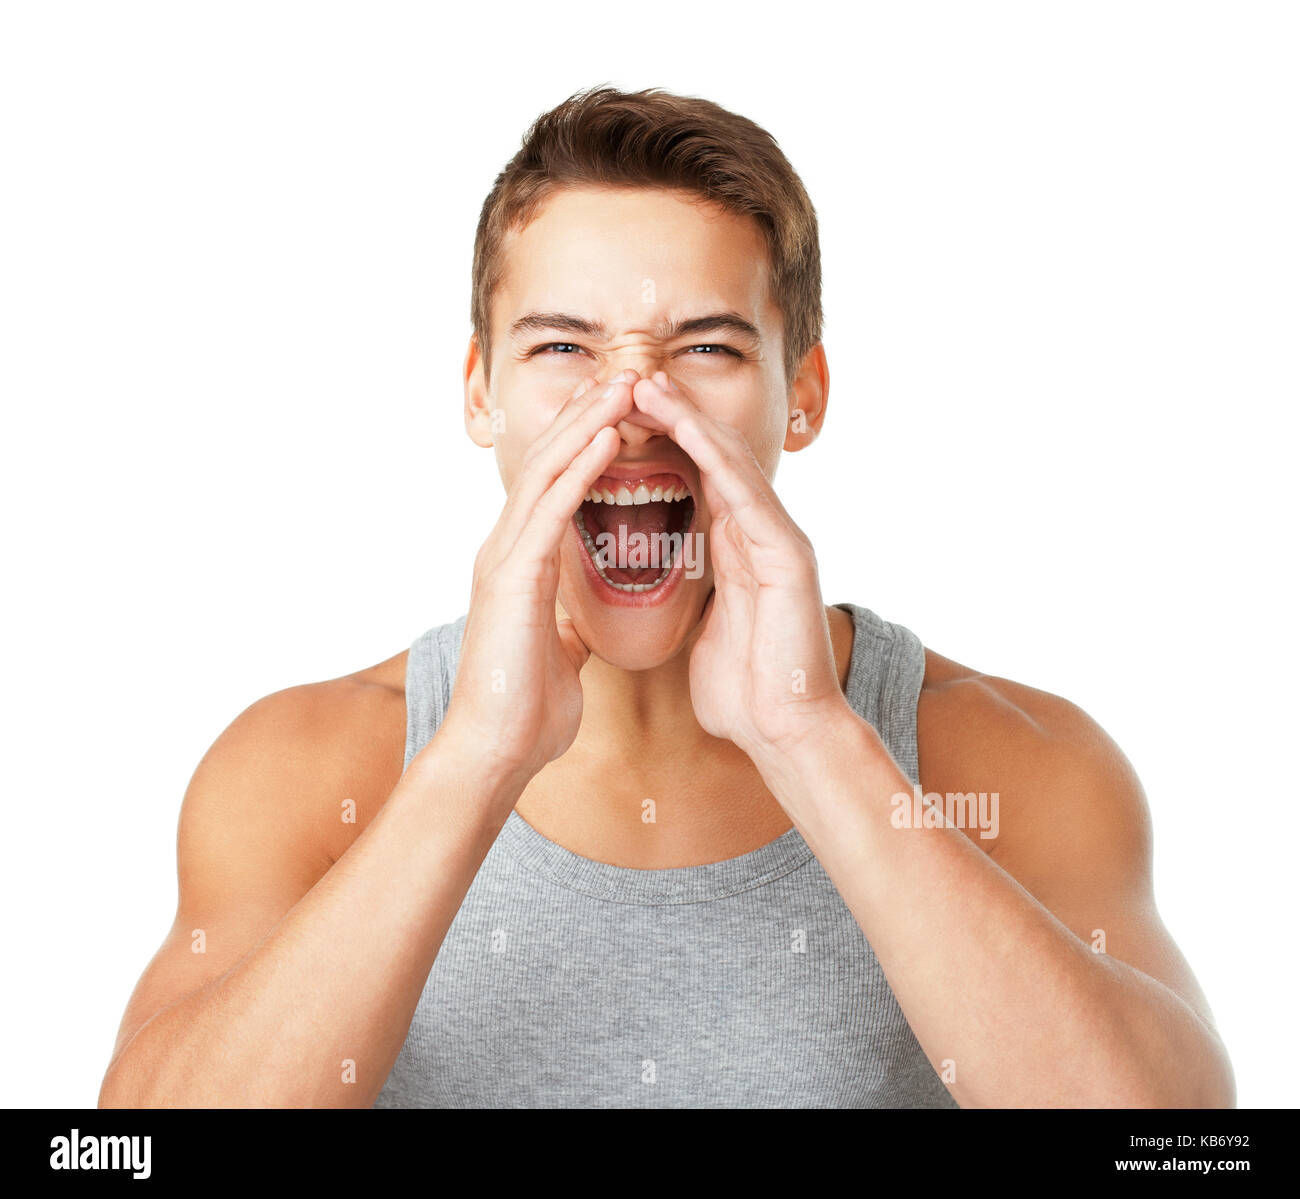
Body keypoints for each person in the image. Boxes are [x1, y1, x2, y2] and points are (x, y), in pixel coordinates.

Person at [98, 85, 1233, 1108]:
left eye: (703, 348)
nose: (632, 406)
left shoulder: (1009, 762)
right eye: (562, 348)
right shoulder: (302, 770)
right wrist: (475, 756)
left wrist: (813, 740)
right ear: (480, 389)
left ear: (802, 394)